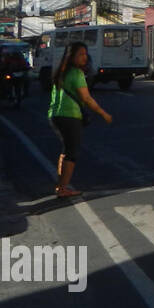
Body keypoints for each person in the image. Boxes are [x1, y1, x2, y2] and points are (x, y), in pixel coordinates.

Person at [47, 41, 112, 198]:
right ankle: (63, 188)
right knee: (71, 153)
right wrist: (103, 113)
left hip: (55, 115)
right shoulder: (76, 73)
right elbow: (86, 98)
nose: (84, 57)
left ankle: (60, 185)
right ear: (71, 57)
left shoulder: (61, 72)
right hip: (70, 116)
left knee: (66, 150)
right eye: (80, 54)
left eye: (85, 54)